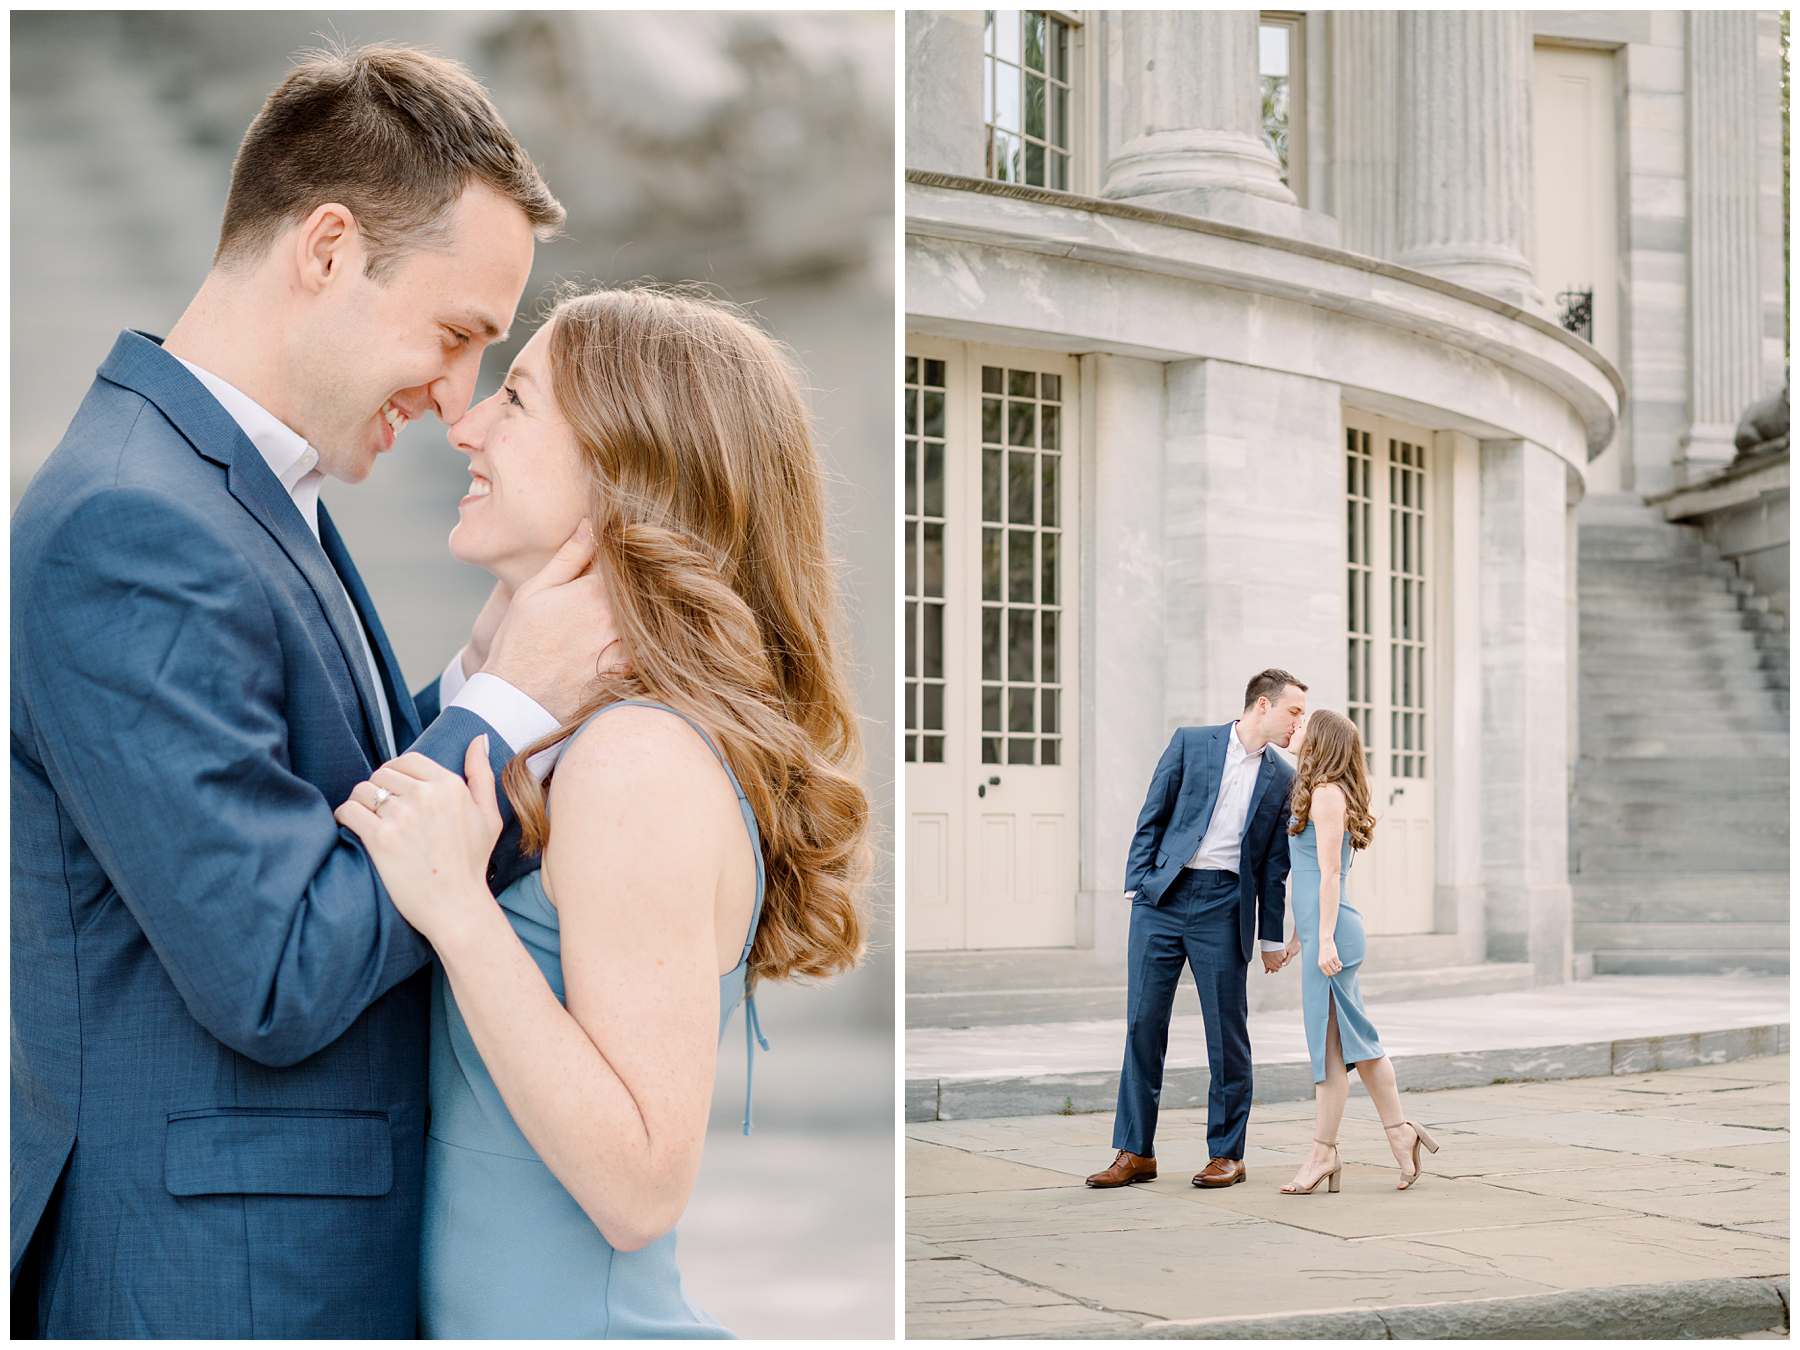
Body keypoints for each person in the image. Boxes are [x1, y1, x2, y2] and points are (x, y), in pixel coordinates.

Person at [10, 45, 615, 1338]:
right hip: (221, 1281)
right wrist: (503, 713)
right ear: (329, 248)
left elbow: (320, 800)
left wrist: (471, 678)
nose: (457, 398)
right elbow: (271, 964)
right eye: (456, 334)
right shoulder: (128, 517)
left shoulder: (231, 483)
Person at [332, 285, 871, 1339]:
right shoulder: (580, 734)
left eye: (519, 400)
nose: (468, 423)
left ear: (628, 464)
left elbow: (639, 1187)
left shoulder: (638, 760)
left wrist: (461, 911)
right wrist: (499, 656)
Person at [1087, 670, 1306, 1191]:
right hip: (1162, 900)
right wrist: (1137, 885)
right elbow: (1152, 813)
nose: (1300, 722)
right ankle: (1134, 1152)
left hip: (1224, 905)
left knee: (1226, 1034)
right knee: (1143, 1024)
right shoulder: (1191, 742)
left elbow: (1276, 867)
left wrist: (1271, 938)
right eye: (1294, 711)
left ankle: (1227, 1154)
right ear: (1262, 706)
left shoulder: (1283, 777)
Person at [1277, 709, 1440, 1195]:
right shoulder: (1324, 792)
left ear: (1320, 740)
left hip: (1337, 936)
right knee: (1355, 1045)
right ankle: (1400, 1133)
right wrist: (1300, 937)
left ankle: (1322, 1154)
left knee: (1329, 1053)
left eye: (1304, 723)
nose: (1295, 727)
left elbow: (1329, 874)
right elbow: (1313, 880)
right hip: (1328, 932)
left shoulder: (1326, 794)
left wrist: (1322, 939)